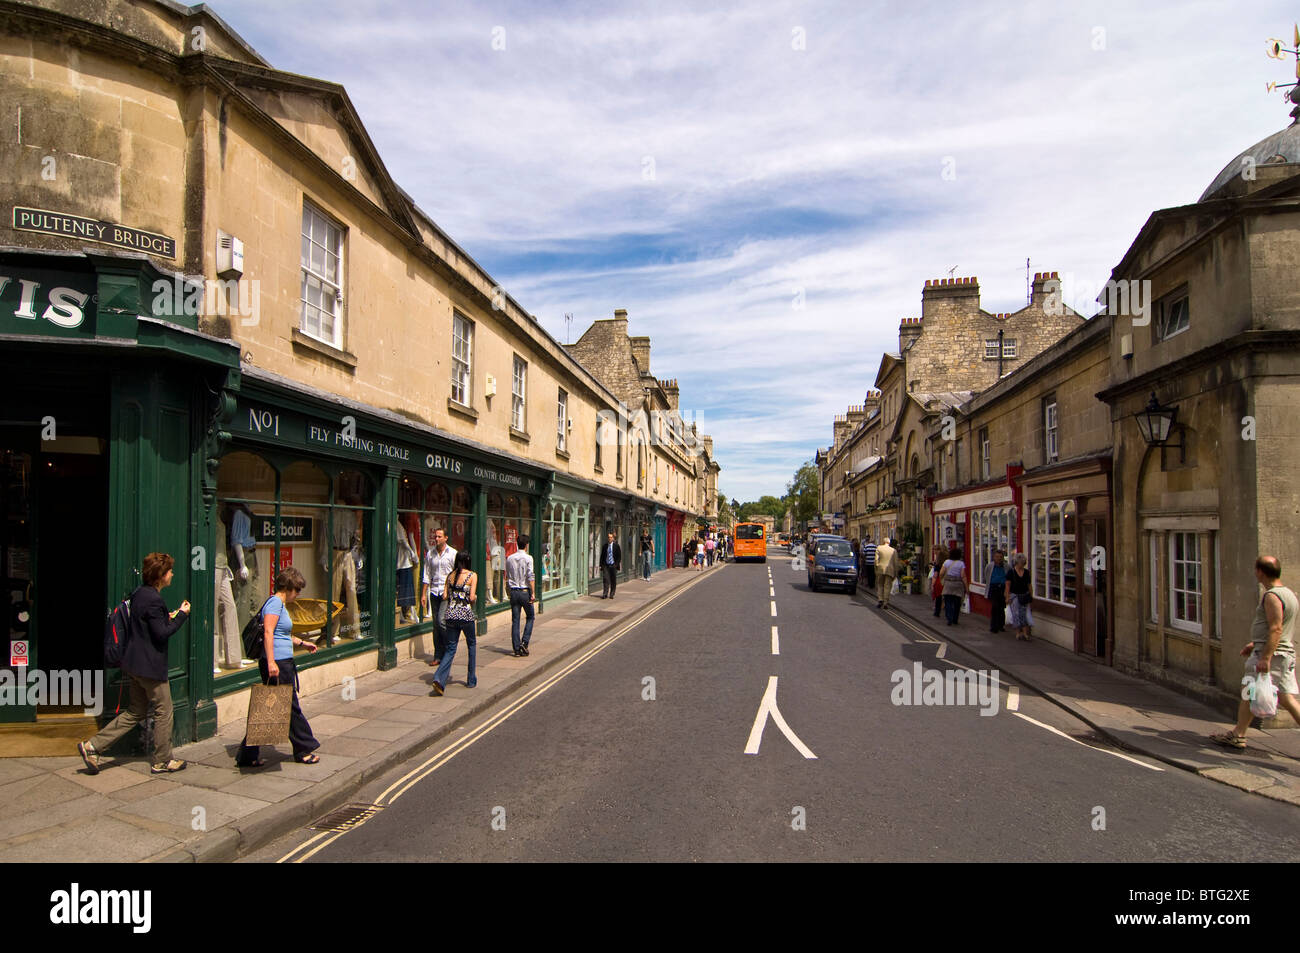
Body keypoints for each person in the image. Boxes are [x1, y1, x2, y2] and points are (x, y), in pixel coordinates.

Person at [79, 552, 191, 775]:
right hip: (150, 666)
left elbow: (148, 626)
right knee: (164, 710)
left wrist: (167, 616)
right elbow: (161, 634)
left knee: (135, 712)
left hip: (134, 664)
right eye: (169, 570)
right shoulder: (155, 599)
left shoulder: (140, 593)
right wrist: (182, 615)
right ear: (161, 576)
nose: (172, 574)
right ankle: (162, 760)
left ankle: (92, 746)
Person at [234, 567, 321, 767]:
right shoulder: (275, 603)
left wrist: (302, 643)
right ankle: (303, 748)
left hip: (282, 661)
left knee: (269, 708)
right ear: (289, 587)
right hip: (278, 663)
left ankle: (248, 756)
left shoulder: (279, 605)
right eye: (297, 590)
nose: (298, 594)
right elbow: (268, 633)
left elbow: (281, 634)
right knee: (289, 707)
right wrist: (272, 662)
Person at [1212, 556, 1300, 750]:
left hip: (1272, 656)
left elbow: (1276, 628)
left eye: (1255, 569)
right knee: (1286, 698)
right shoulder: (1288, 594)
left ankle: (1238, 735)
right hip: (1282, 654)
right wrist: (1254, 643)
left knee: (1248, 691)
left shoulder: (1272, 596)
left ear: (1260, 571)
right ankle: (1239, 733)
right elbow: (1279, 629)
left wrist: (1265, 657)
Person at [431, 552, 477, 695]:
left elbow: (444, 596)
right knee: (471, 645)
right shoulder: (472, 576)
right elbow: (472, 598)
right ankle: (471, 680)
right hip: (465, 616)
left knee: (451, 649)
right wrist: (472, 596)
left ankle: (439, 677)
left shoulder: (450, 576)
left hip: (450, 616)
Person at [423, 527, 456, 666]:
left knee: (441, 620)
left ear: (446, 538)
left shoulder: (453, 553)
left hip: (445, 593)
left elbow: (455, 573)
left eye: (439, 536)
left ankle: (450, 646)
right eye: (435, 536)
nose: (436, 539)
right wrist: (423, 594)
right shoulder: (430, 554)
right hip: (433, 592)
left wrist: (448, 590)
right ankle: (438, 655)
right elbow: (426, 574)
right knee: (435, 625)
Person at [506, 533, 536, 657]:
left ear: (517, 544)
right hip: (524, 592)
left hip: (514, 592)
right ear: (527, 545)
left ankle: (516, 649)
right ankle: (525, 642)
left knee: (515, 620)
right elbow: (530, 576)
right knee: (530, 617)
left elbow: (507, 575)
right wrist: (533, 593)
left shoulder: (510, 558)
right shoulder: (529, 558)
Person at [1006, 553, 1032, 641]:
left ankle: (1025, 633)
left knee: (1023, 614)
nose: (1023, 565)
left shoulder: (1026, 572)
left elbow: (1029, 585)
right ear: (1017, 562)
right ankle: (1018, 633)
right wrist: (1007, 596)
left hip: (1024, 595)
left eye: (1024, 563)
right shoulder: (1011, 572)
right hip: (1014, 596)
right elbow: (1008, 585)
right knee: (1016, 614)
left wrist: (1031, 596)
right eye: (1021, 563)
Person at [940, 547, 969, 626]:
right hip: (958, 584)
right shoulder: (961, 563)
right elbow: (963, 576)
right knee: (957, 602)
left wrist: (941, 580)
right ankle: (955, 619)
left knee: (948, 601)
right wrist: (967, 587)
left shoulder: (947, 562)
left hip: (949, 583)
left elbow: (941, 573)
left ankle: (949, 618)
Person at [985, 549, 1008, 633]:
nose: (998, 559)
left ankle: (1001, 625)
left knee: (1002, 607)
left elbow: (1008, 577)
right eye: (997, 557)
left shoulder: (1006, 566)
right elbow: (986, 575)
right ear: (994, 557)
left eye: (1000, 557)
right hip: (993, 588)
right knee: (995, 606)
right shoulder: (990, 566)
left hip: (1003, 588)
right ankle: (993, 626)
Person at [875, 537, 897, 609]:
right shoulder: (893, 550)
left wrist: (876, 568)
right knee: (887, 586)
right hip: (890, 570)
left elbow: (876, 560)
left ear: (883, 541)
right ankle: (885, 602)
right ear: (889, 542)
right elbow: (895, 563)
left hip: (880, 569)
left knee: (880, 585)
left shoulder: (879, 548)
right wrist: (895, 573)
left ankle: (880, 599)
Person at [601, 532, 621, 598]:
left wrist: (616, 565)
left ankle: (612, 593)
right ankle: (605, 594)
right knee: (606, 579)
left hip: (613, 565)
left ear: (613, 538)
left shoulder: (616, 546)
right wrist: (601, 565)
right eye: (608, 537)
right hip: (606, 565)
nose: (609, 538)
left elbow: (619, 556)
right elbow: (602, 556)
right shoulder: (605, 546)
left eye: (611, 537)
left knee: (613, 580)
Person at [928, 545, 946, 617]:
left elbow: (936, 574)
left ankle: (937, 612)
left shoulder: (938, 562)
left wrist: (933, 584)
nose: (934, 551)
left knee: (938, 596)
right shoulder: (946, 561)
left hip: (939, 580)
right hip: (946, 580)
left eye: (935, 550)